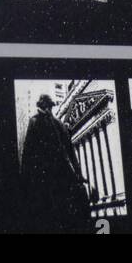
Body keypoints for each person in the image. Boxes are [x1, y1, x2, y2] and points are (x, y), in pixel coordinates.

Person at [20, 93, 91, 232]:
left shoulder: (35, 122)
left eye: (45, 106)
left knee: (52, 217)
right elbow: (72, 154)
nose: (46, 109)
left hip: (47, 180)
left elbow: (28, 153)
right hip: (63, 179)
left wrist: (25, 177)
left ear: (43, 105)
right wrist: (78, 174)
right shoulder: (60, 125)